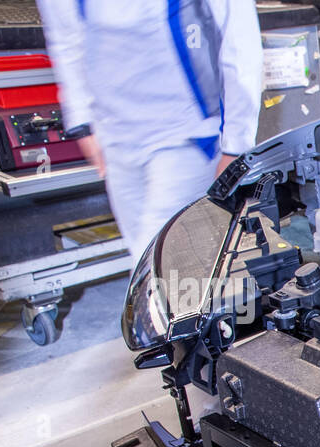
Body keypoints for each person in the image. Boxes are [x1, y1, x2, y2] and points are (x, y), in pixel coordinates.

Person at [37, 1, 264, 259]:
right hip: (115, 137)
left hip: (187, 136)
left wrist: (236, 146)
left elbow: (239, 40)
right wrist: (82, 122)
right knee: (147, 264)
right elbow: (66, 38)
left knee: (161, 264)